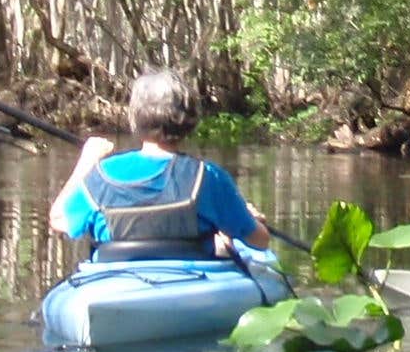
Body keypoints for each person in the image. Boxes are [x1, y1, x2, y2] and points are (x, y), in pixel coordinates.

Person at [54, 67, 270, 259]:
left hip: (114, 280)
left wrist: (86, 162)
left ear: (135, 118)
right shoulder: (208, 176)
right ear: (190, 121)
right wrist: (250, 220)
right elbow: (259, 241)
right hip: (191, 282)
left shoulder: (102, 174)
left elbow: (58, 219)